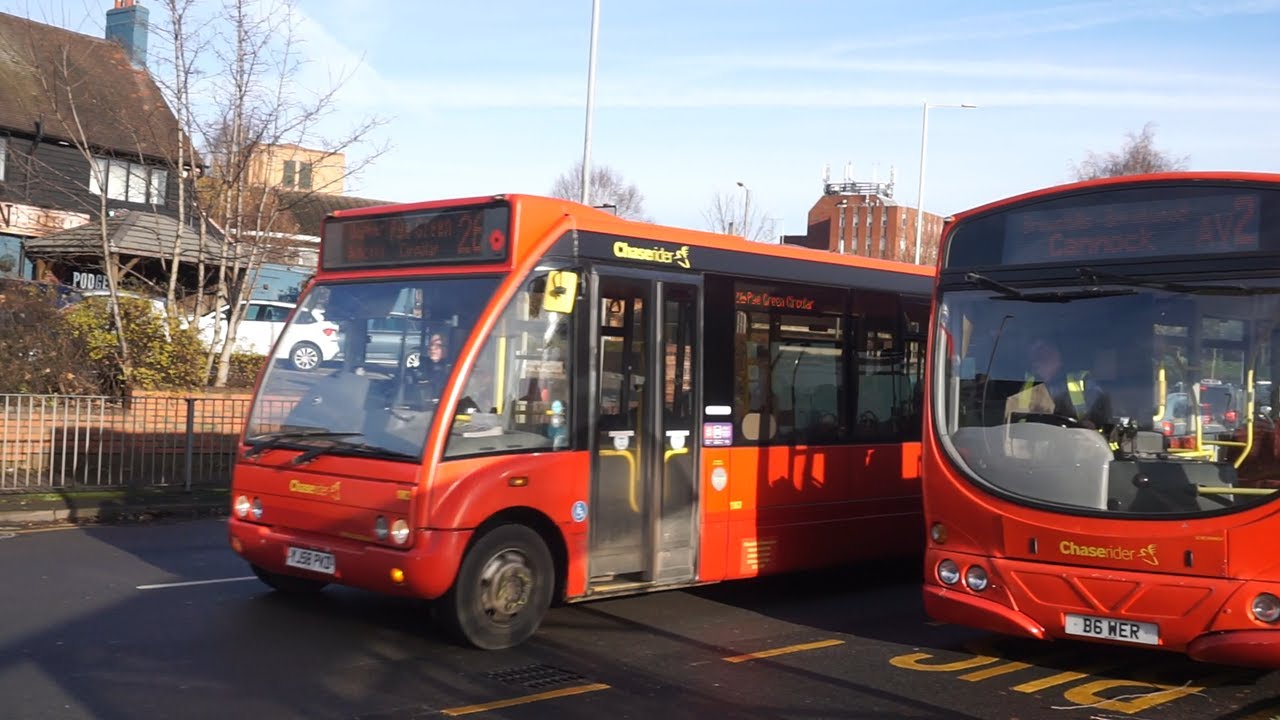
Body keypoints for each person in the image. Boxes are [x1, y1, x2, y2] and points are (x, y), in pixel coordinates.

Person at [1009, 337, 1111, 428]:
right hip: (1032, 444)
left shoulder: (1081, 379)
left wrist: (1090, 422)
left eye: (1044, 351)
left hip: (1074, 443)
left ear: (1059, 356)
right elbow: (1009, 419)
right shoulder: (1023, 384)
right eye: (1033, 354)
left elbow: (1100, 404)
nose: (1038, 357)